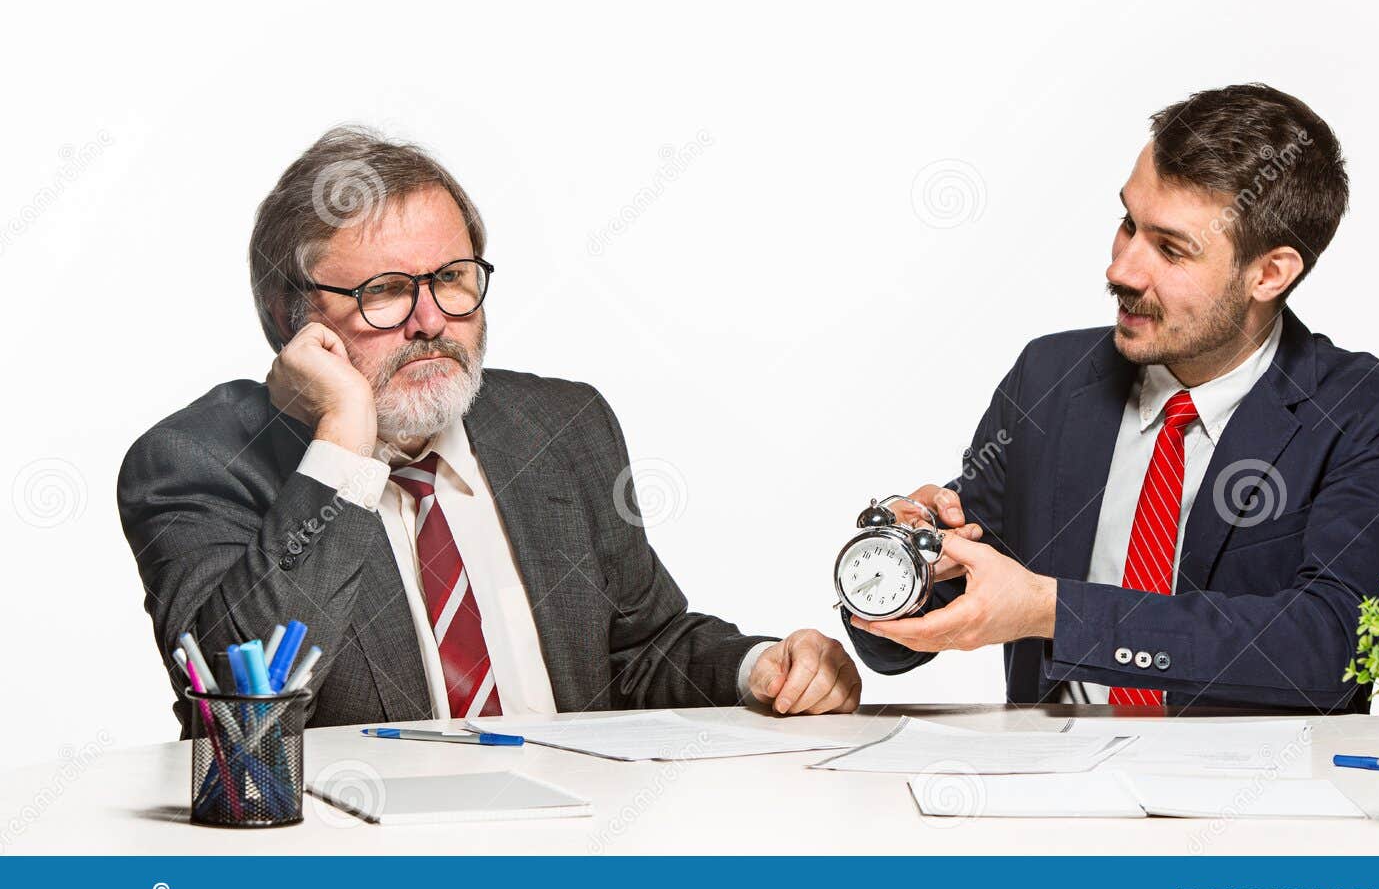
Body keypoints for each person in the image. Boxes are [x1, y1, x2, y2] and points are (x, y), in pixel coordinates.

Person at [120, 126, 860, 732]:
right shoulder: (197, 460)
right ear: (292, 318)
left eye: (451, 278)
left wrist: (757, 666)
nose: (431, 320)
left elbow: (638, 649)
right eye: (384, 292)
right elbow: (240, 712)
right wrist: (344, 439)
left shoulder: (563, 425)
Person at [845, 84, 1379, 711]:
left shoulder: (1375, 417)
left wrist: (1058, 613)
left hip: (1262, 799)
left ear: (1269, 274)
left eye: (1171, 248)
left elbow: (1332, 649)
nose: (1122, 271)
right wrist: (902, 565)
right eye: (1128, 223)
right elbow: (922, 629)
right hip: (1044, 789)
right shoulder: (1049, 377)